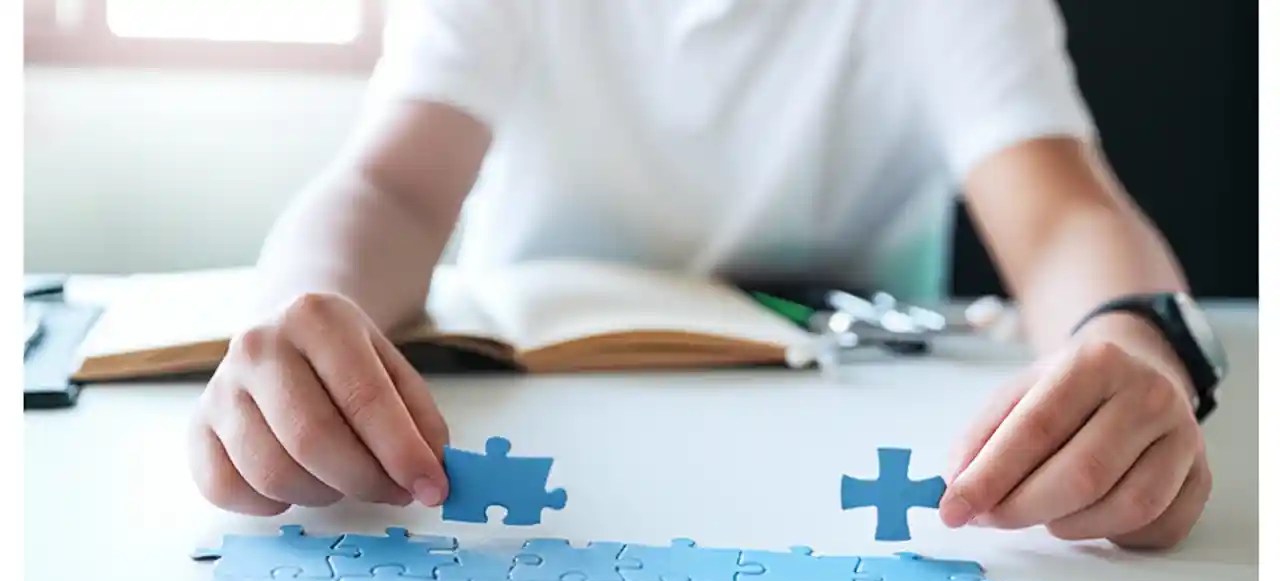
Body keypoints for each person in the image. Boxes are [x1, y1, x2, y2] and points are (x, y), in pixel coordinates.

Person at [188, 0, 1221, 550]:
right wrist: (291, 318)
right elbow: (391, 187)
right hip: (523, 420)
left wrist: (1132, 339)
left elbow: (1058, 215)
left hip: (822, 439)